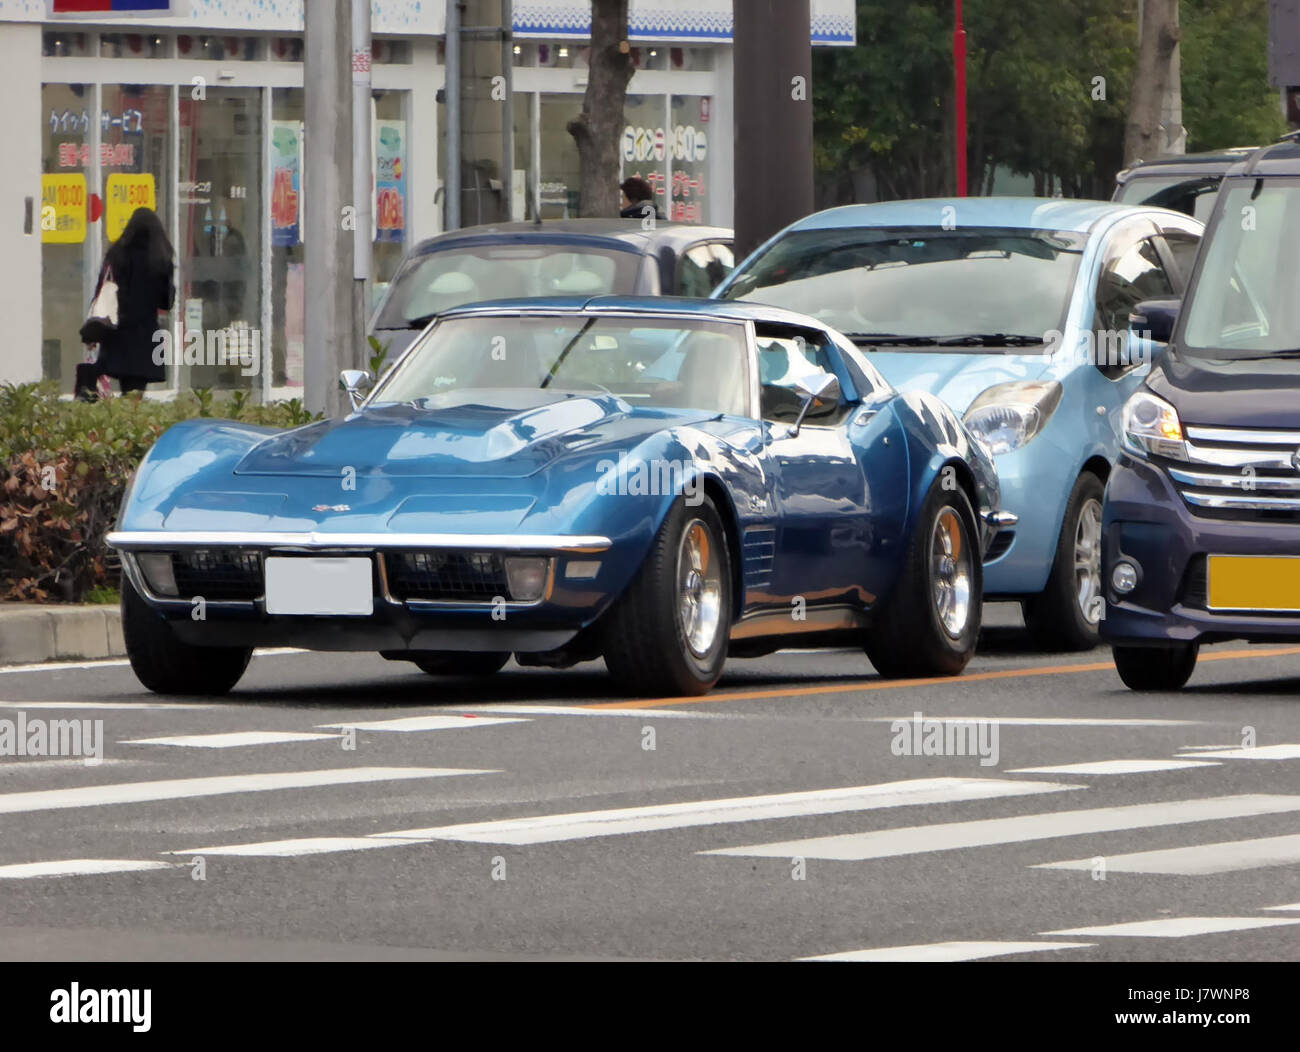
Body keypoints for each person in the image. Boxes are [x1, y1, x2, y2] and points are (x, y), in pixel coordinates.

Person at [79, 206, 175, 397]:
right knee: (134, 396)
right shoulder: (161, 258)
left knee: (115, 384)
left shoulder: (116, 254)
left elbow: (102, 292)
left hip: (117, 334)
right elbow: (166, 302)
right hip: (145, 337)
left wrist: (92, 334)